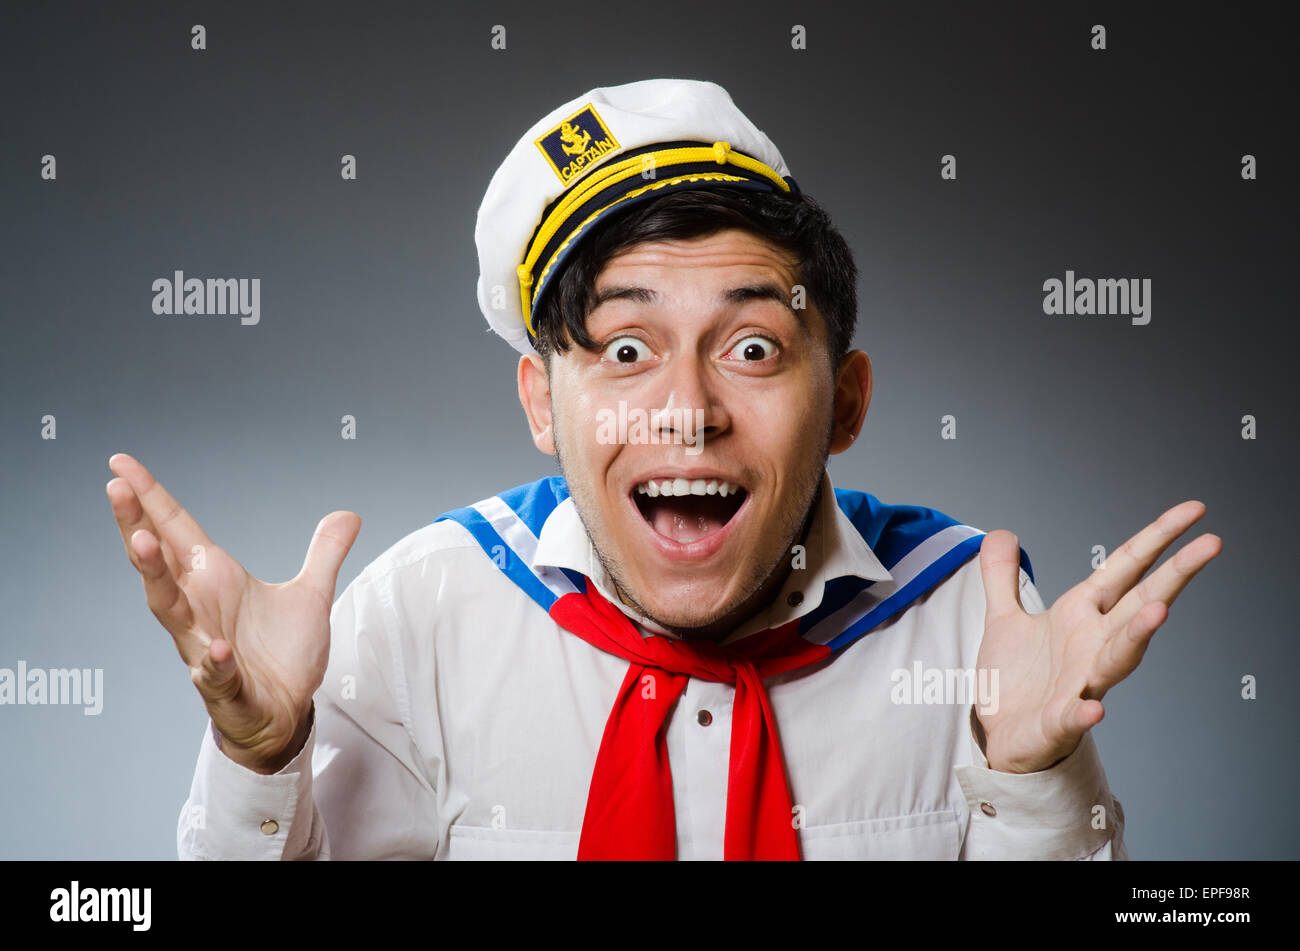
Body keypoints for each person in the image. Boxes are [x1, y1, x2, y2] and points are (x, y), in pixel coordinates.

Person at [106, 78, 1221, 860]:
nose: (688, 414)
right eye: (626, 350)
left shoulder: (970, 625)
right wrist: (260, 754)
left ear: (845, 403)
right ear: (544, 402)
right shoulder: (425, 612)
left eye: (750, 350)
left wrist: (1027, 780)